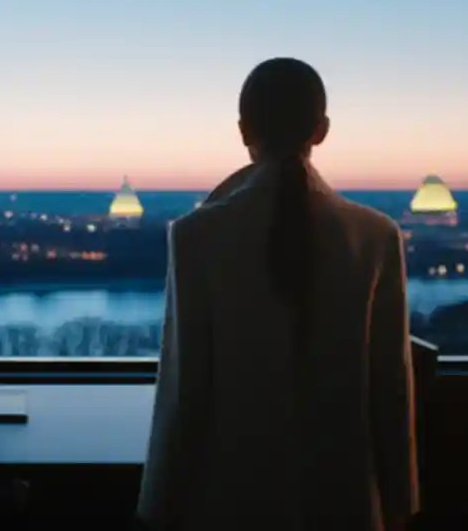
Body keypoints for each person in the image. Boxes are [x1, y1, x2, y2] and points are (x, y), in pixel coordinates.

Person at [136, 58, 419, 531]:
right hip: (346, 498)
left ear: (244, 129)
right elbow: (391, 390)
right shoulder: (376, 236)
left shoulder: (196, 236)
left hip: (229, 499)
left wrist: (157, 508)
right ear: (322, 130)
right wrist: (401, 504)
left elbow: (185, 393)